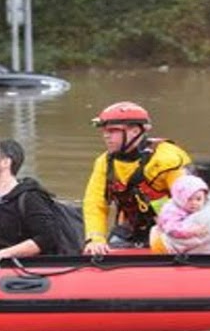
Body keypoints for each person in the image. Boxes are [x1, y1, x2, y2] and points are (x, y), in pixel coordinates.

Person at [82, 102, 192, 255]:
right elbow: (95, 203)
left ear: (135, 131)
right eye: (104, 131)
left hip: (171, 227)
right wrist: (96, 239)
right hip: (130, 230)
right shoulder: (105, 163)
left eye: (113, 130)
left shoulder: (167, 158)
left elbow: (191, 201)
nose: (106, 135)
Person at [148, 173, 210, 254]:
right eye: (189, 199)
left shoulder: (202, 213)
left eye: (198, 199)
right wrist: (191, 232)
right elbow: (172, 230)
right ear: (181, 199)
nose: (194, 203)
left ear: (205, 196)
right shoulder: (172, 212)